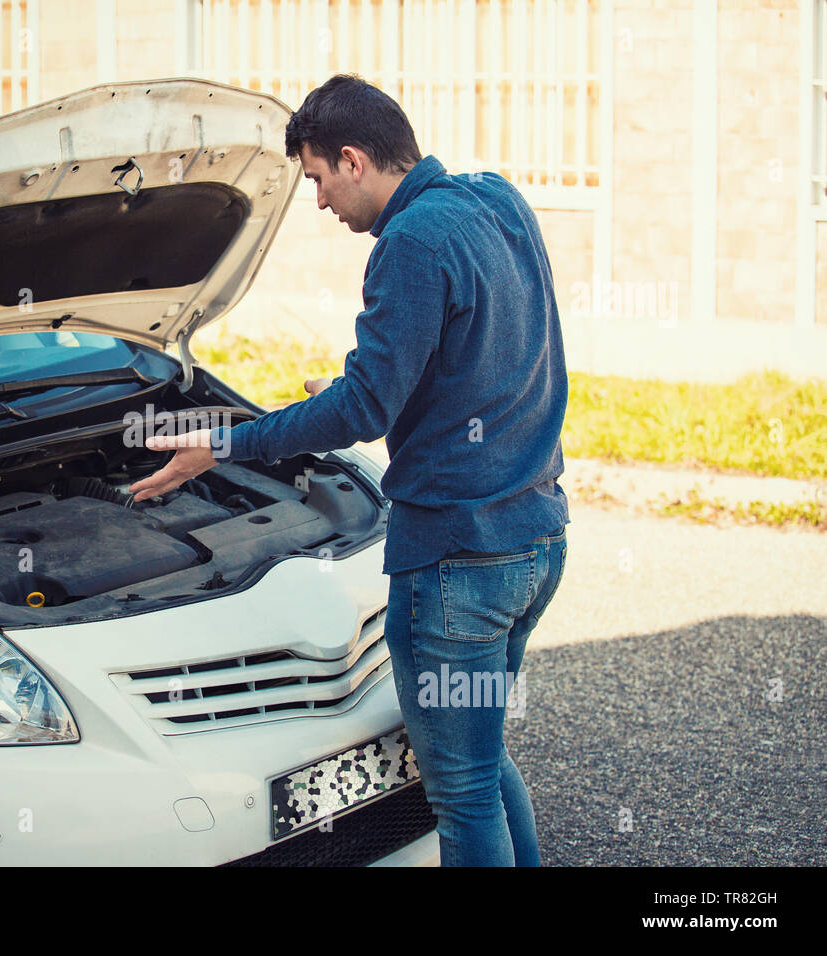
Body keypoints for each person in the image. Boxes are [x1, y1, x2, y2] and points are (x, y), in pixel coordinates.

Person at [128, 73, 569, 867]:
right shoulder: (496, 200)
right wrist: (357, 393)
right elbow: (480, 356)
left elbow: (363, 413)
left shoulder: (410, 244)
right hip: (536, 540)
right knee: (485, 762)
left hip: (460, 564)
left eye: (319, 180)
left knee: (463, 794)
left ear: (355, 160)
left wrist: (224, 443)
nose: (322, 203)